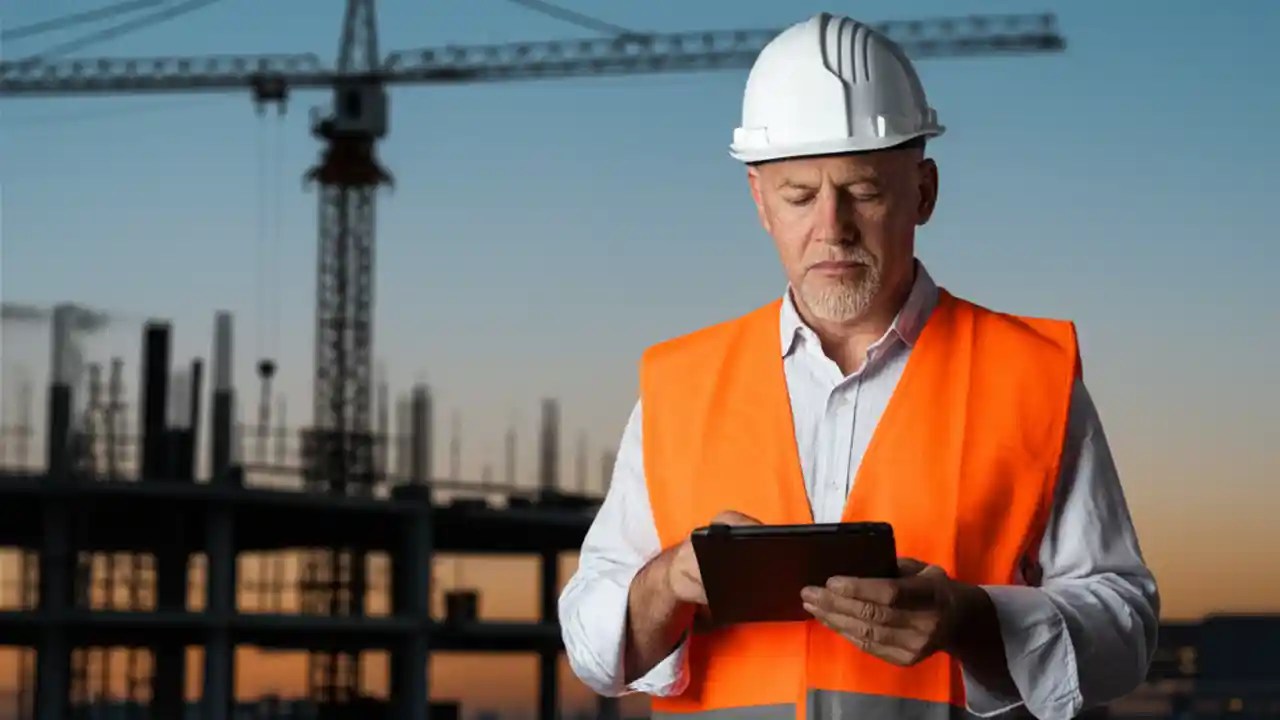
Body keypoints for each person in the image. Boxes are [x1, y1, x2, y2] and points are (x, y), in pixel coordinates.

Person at [559, 11, 1159, 720]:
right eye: (799, 197)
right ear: (760, 202)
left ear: (924, 192)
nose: (832, 228)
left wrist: (970, 619)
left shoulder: (1031, 376)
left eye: (865, 192)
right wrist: (667, 582)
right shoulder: (680, 387)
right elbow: (591, 648)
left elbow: (1125, 630)